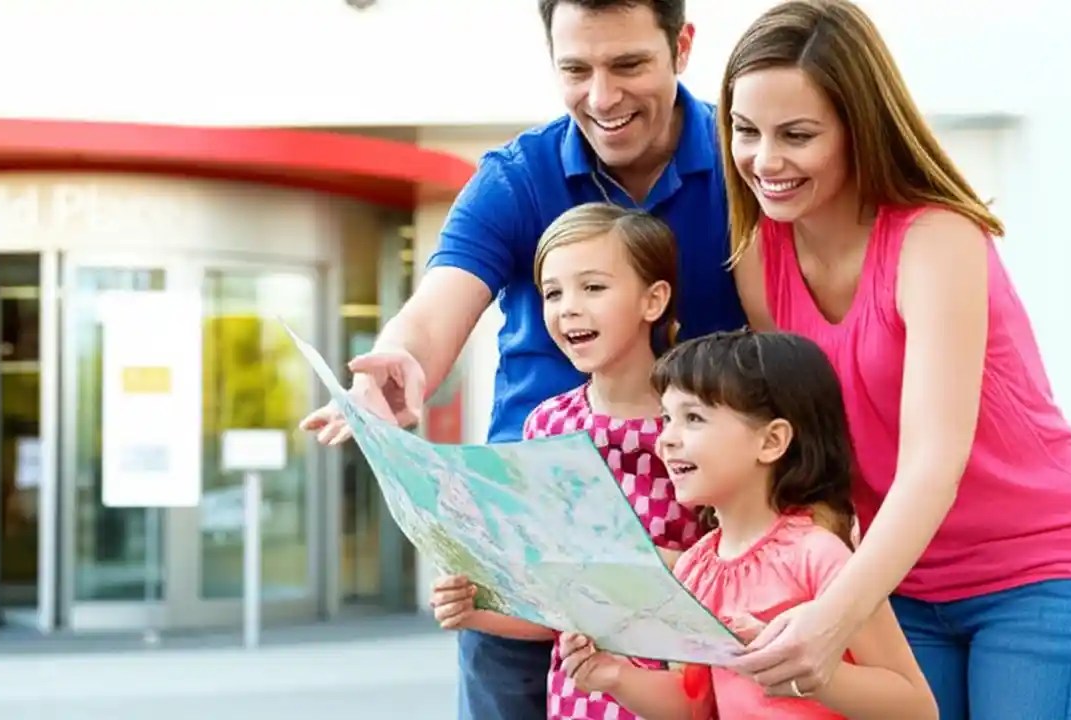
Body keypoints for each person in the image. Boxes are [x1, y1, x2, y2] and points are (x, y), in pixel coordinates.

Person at [300, 1, 746, 717]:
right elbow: (437, 307)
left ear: (682, 47)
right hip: (524, 552)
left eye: (628, 64)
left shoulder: (743, 162)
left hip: (689, 570)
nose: (602, 97)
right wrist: (402, 361)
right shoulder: (517, 176)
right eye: (576, 69)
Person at [714, 1, 1071, 717]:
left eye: (797, 135)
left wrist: (834, 617)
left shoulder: (936, 239)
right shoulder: (758, 260)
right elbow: (809, 448)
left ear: (858, 130)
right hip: (903, 582)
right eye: (746, 131)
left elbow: (933, 458)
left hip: (1041, 570)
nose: (765, 161)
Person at [559, 330, 938, 719]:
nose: (666, 439)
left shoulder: (819, 555)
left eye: (693, 418)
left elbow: (915, 707)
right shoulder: (693, 570)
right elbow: (696, 705)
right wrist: (615, 677)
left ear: (772, 441)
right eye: (666, 418)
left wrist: (803, 670)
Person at [428, 203, 710, 720]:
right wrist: (477, 609)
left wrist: (649, 569)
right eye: (553, 293)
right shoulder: (548, 426)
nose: (568, 308)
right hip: (580, 703)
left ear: (654, 299)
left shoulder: (701, 422)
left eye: (593, 288)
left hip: (686, 696)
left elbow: (736, 570)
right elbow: (558, 605)